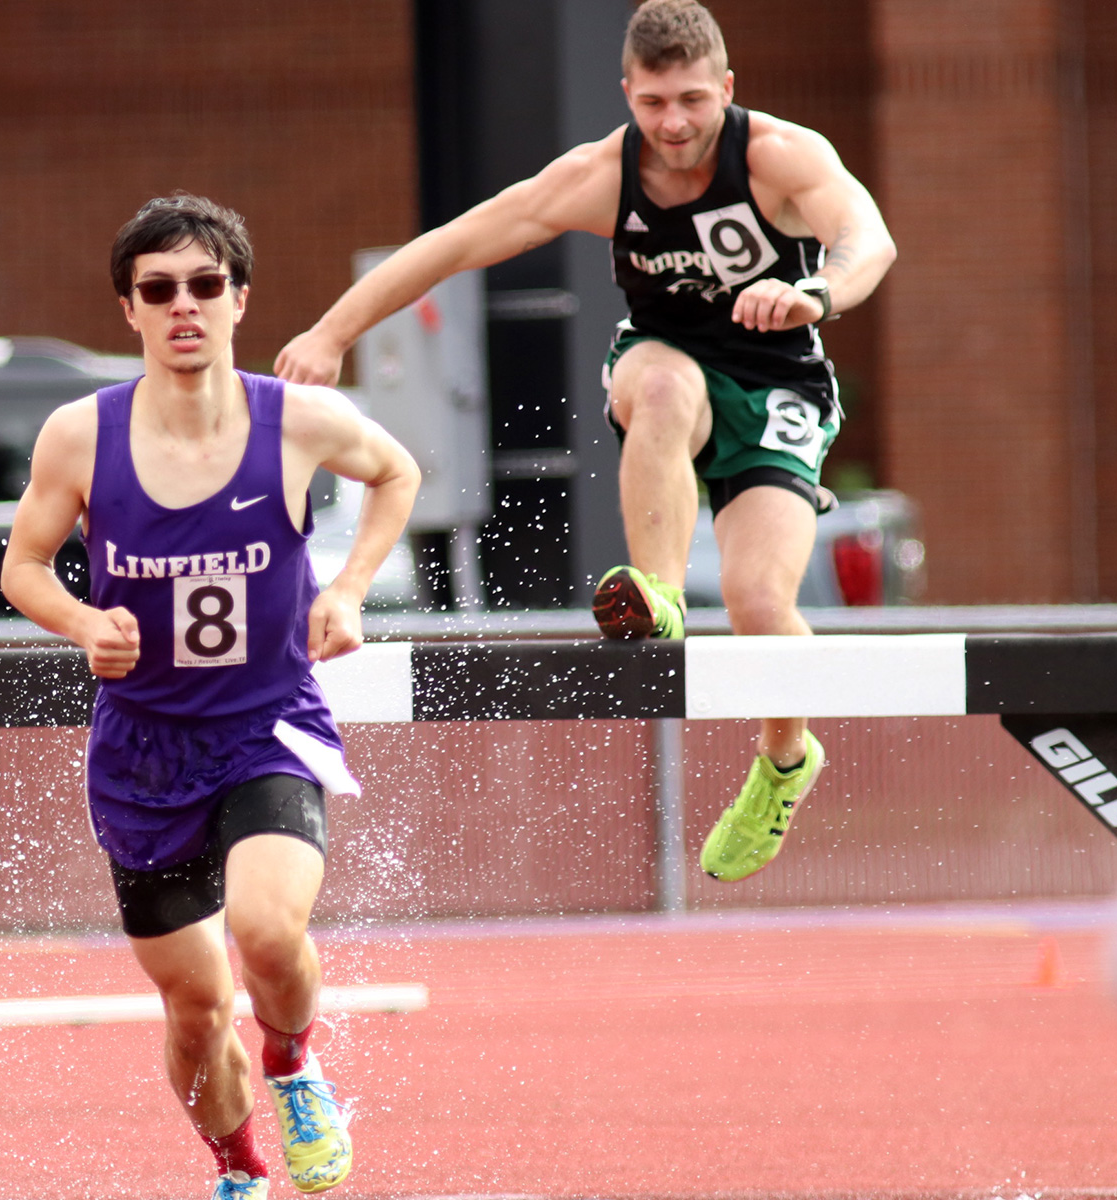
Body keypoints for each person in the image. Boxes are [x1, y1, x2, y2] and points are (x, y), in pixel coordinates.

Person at [274, 0, 897, 883]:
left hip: (777, 384)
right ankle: (659, 591)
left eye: (692, 101)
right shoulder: (601, 176)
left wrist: (816, 293)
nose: (674, 124)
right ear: (627, 94)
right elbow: (454, 244)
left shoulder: (776, 156)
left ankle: (785, 762)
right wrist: (332, 333)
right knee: (664, 382)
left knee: (761, 600)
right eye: (654, 103)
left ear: (726, 88)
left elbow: (868, 238)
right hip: (666, 368)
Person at [2, 195, 419, 1200]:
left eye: (203, 285)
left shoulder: (297, 419)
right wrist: (83, 622)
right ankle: (237, 1168)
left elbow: (397, 471)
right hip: (142, 754)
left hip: (267, 727)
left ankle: (293, 1064)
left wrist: (349, 587)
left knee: (268, 932)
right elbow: (22, 566)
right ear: (129, 309)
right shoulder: (80, 434)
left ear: (240, 299)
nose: (182, 305)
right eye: (159, 290)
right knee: (194, 1012)